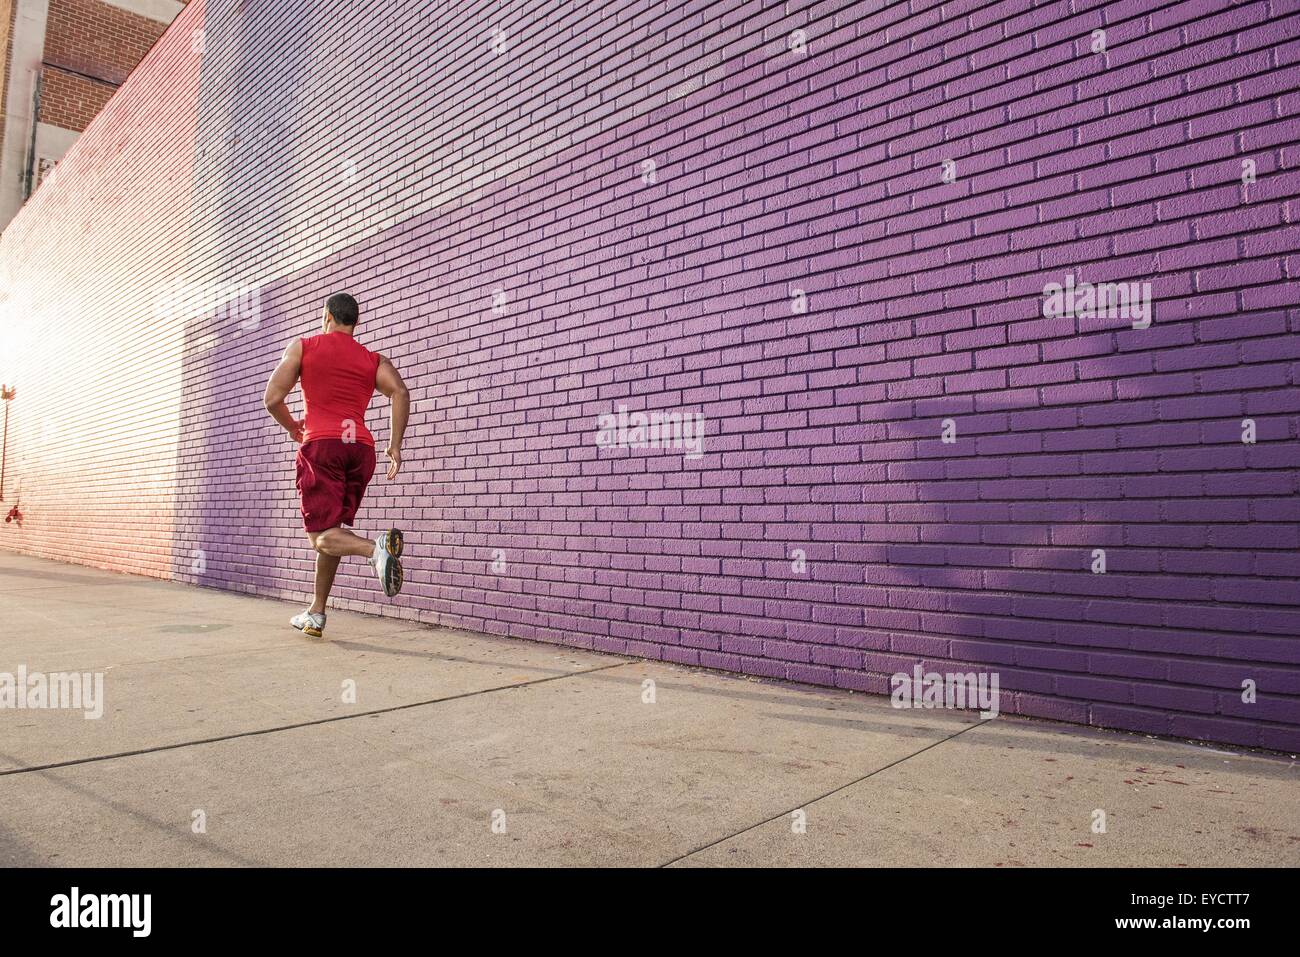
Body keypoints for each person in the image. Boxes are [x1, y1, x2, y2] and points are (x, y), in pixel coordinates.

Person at [262, 292, 410, 638]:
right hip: (360, 450)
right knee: (334, 531)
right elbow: (400, 392)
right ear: (354, 322)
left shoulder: (303, 346)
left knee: (321, 537)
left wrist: (293, 427)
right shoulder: (373, 358)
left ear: (326, 315)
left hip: (324, 446)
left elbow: (272, 398)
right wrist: (395, 445)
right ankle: (316, 612)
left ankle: (376, 550)